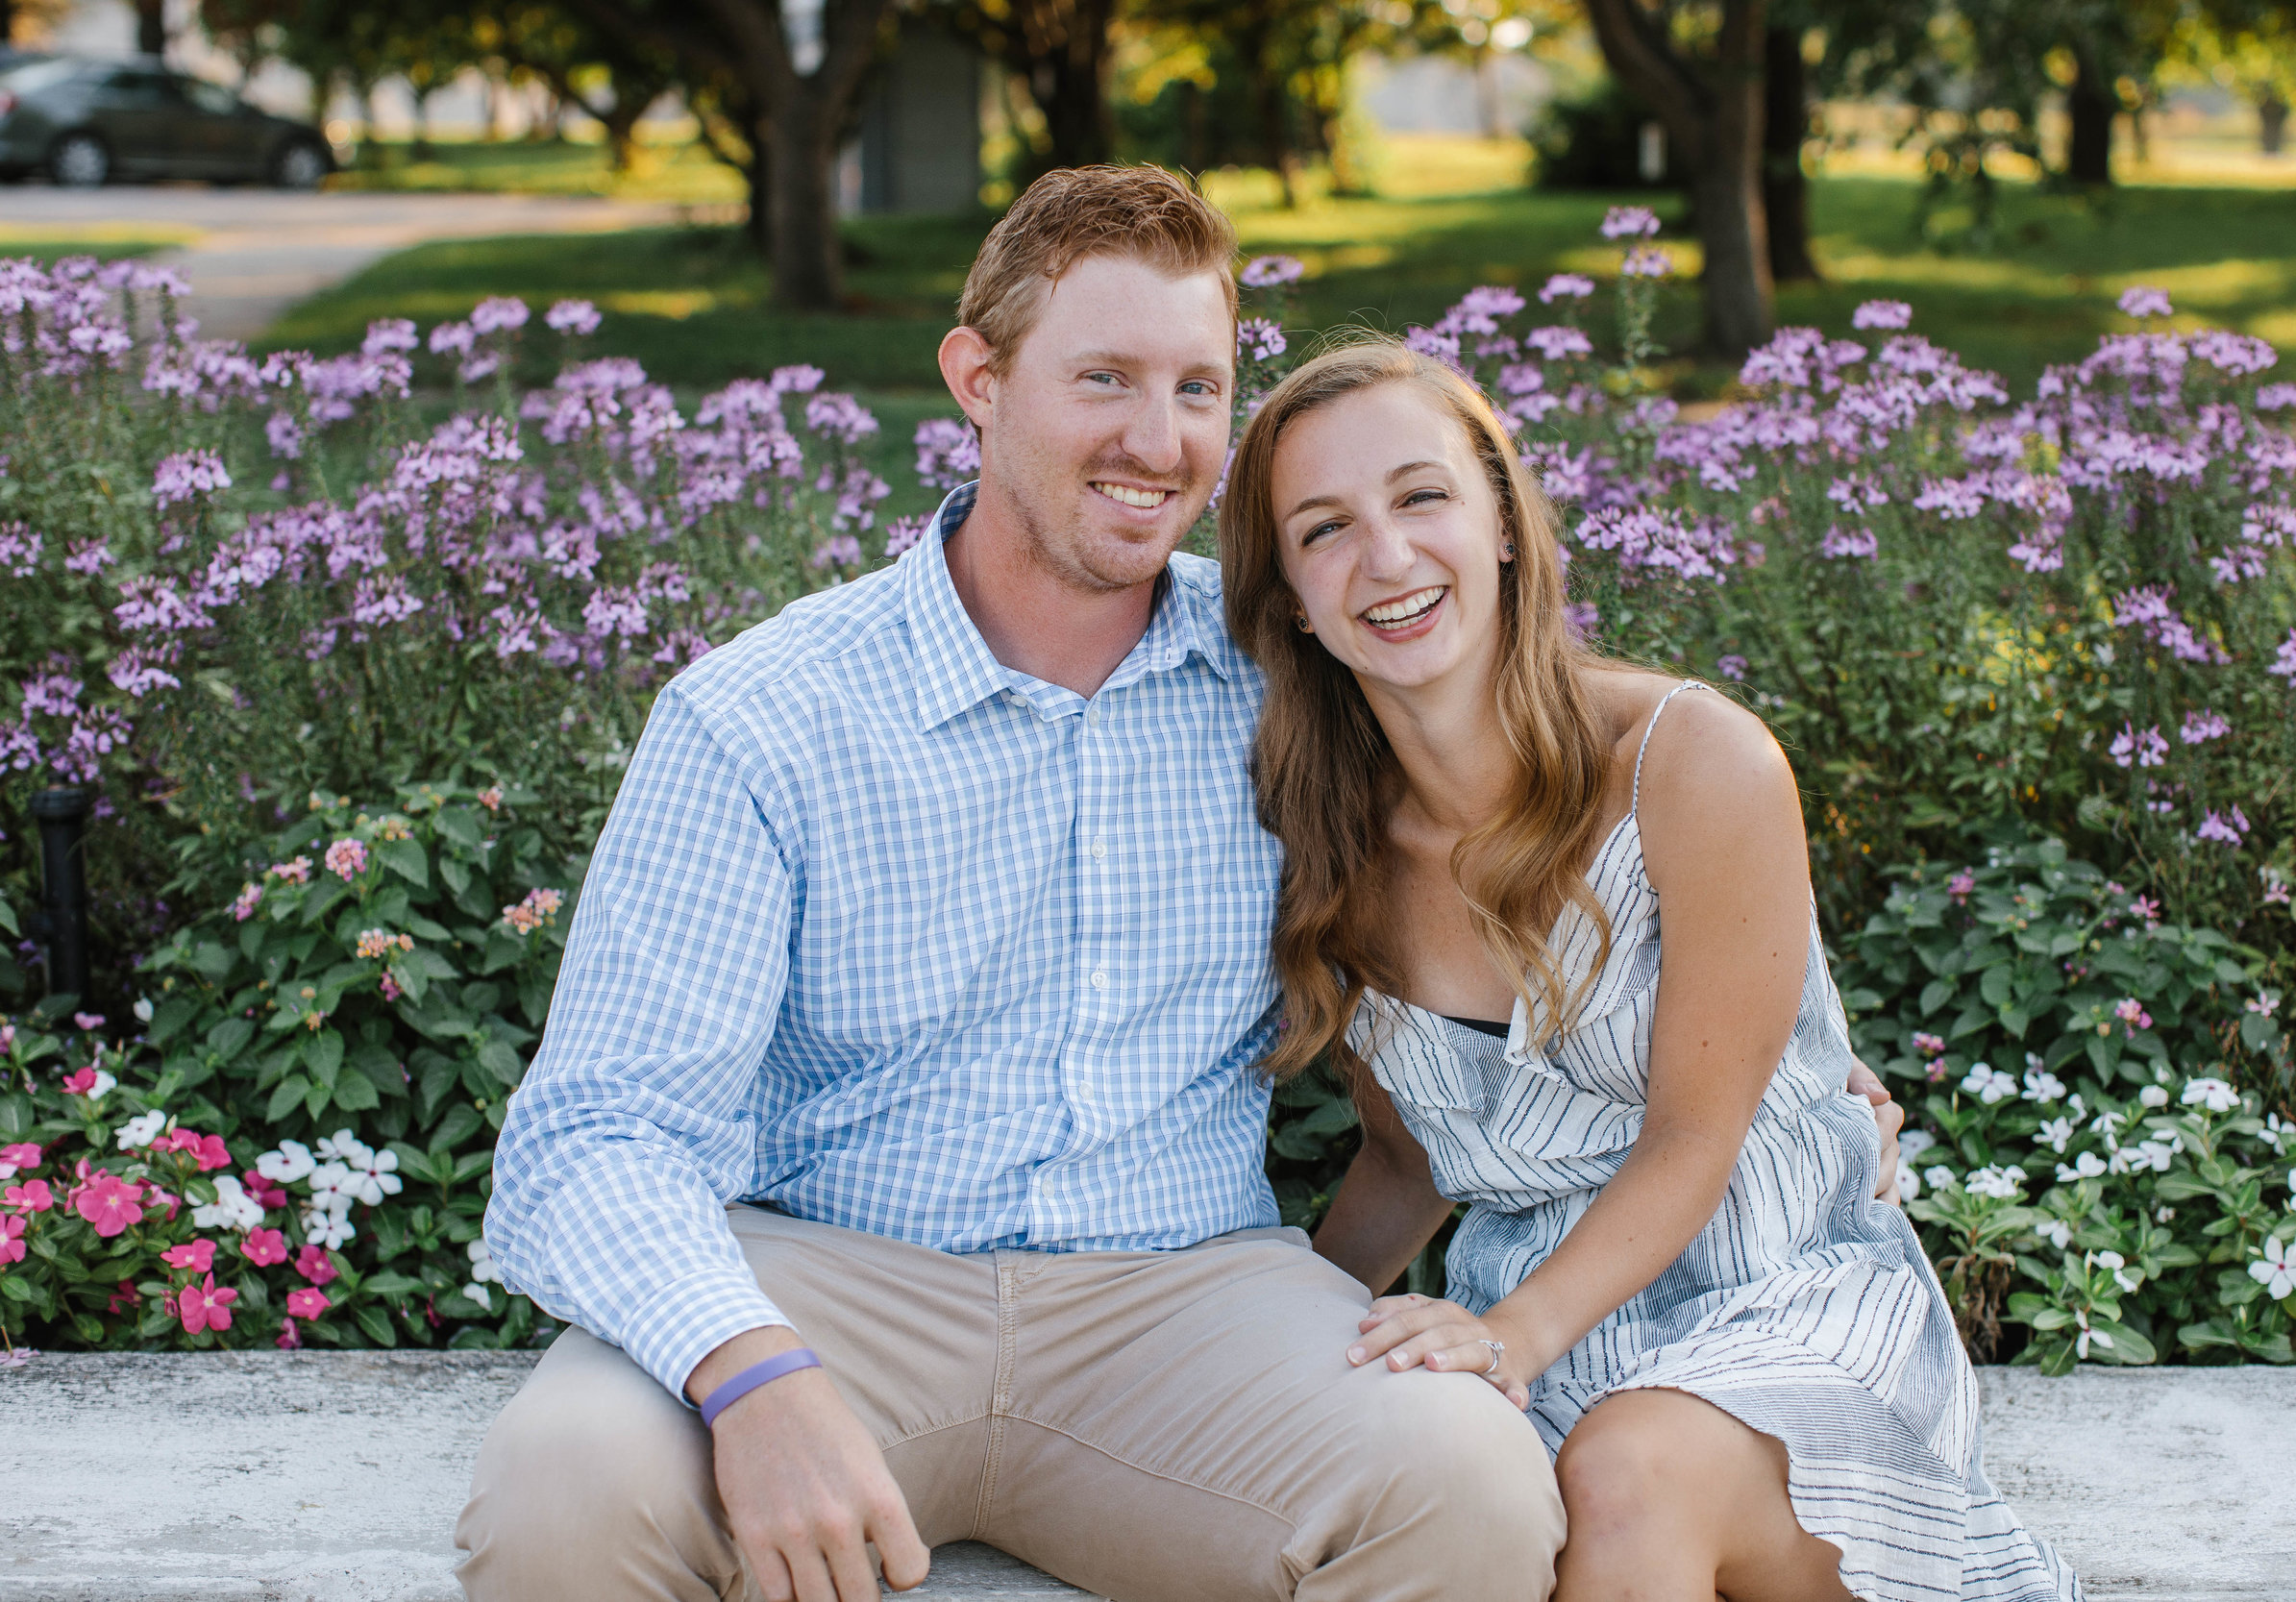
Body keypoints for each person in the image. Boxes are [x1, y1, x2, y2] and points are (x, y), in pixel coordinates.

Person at [456, 165, 1902, 1602]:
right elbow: (596, 1128)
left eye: (1198, 389)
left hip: (1184, 1299)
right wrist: (749, 1372)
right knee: (570, 1495)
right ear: (977, 380)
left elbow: (1546, 807)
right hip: (827, 1285)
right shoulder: (762, 716)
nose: (1158, 442)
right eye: (1105, 378)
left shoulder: (1304, 678)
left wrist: (1786, 1074)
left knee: (1464, 1486)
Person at [1218, 338, 2083, 1602]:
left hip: (1783, 1303)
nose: (1387, 557)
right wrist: (1282, 1354)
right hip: (1544, 1341)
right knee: (1475, 1498)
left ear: (1502, 523)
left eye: (1421, 497)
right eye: (1325, 528)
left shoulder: (1693, 764)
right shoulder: (1334, 852)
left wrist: (1510, 1338)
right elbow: (1407, 1164)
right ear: (1293, 597)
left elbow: (1694, 1141)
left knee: (1622, 1476)